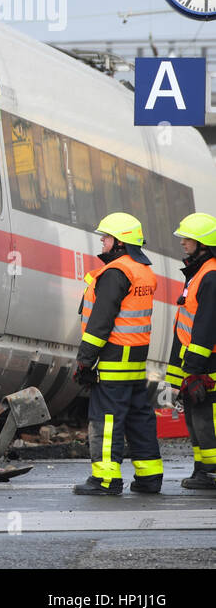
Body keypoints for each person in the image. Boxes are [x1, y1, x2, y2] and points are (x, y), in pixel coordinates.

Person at [72, 212, 164, 496]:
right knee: (139, 415)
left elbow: (101, 321)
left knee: (107, 417)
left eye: (107, 236)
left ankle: (106, 479)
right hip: (135, 358)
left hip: (113, 358)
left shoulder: (116, 273)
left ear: (120, 243)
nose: (102, 240)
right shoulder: (143, 270)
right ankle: (150, 477)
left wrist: (85, 360)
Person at [166, 212, 216, 489]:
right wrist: (176, 379)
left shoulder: (210, 277)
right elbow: (183, 329)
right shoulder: (198, 275)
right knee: (198, 420)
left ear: (203, 244)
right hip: (197, 366)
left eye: (189, 238)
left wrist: (195, 371)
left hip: (208, 366)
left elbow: (206, 328)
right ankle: (203, 470)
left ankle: (211, 472)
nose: (183, 243)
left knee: (208, 421)